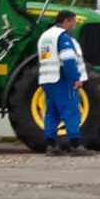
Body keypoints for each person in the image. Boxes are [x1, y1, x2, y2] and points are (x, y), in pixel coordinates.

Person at [36, 10, 94, 156]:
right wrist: (75, 78)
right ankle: (75, 146)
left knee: (52, 113)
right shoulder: (62, 37)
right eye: (74, 21)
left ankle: (51, 146)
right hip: (61, 79)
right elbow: (68, 59)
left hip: (47, 79)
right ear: (66, 21)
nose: (75, 24)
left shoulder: (46, 36)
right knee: (71, 111)